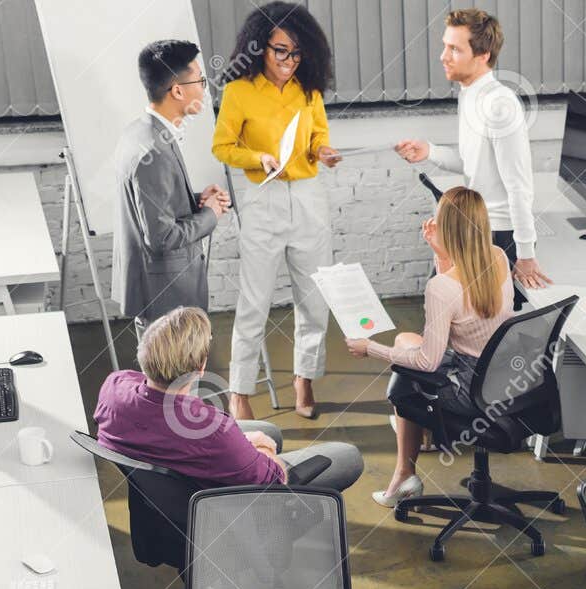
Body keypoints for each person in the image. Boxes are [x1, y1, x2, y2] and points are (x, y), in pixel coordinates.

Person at [212, 2, 342, 421]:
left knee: (313, 298)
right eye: (280, 51)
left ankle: (305, 378)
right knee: (255, 300)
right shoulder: (239, 91)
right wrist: (258, 157)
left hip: (307, 197)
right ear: (259, 47)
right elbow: (222, 146)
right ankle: (239, 391)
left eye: (297, 53)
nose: (289, 61)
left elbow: (318, 135)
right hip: (262, 200)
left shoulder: (309, 90)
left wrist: (323, 151)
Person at [347, 187, 514, 508]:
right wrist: (441, 256)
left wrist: (369, 348)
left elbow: (427, 361)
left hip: (470, 390)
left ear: (446, 226)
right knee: (404, 339)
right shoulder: (498, 255)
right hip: (501, 376)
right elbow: (459, 305)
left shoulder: (442, 288)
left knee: (405, 376)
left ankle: (403, 474)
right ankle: (413, 442)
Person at [94, 306, 363, 492]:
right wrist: (263, 449)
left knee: (267, 430)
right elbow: (273, 478)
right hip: (219, 502)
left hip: (168, 495)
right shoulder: (213, 431)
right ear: (200, 368)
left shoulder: (113, 386)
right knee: (348, 455)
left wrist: (246, 441)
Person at [393, 9, 551, 292]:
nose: (443, 56)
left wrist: (526, 254)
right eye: (445, 46)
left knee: (480, 323)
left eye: (454, 49)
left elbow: (519, 187)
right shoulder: (469, 95)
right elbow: (472, 164)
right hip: (478, 228)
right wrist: (429, 151)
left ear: (483, 55)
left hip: (500, 236)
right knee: (452, 310)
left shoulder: (499, 105)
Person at [112, 40, 229, 329]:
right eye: (200, 80)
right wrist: (210, 214)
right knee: (178, 375)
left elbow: (155, 202)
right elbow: (161, 237)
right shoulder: (153, 149)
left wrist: (197, 198)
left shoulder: (139, 132)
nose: (205, 87)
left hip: (159, 289)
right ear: (177, 90)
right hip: (167, 295)